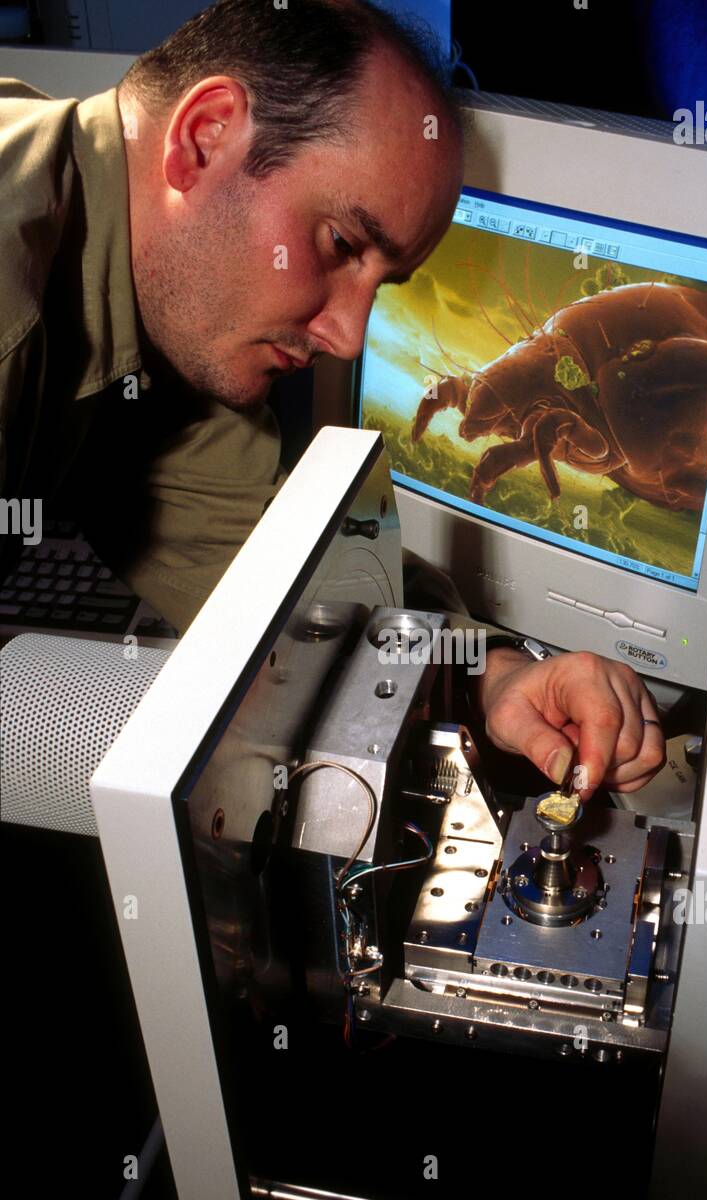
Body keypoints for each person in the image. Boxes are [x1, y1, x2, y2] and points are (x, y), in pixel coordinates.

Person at [0, 0, 664, 799]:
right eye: (340, 244)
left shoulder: (141, 324)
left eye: (381, 284)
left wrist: (494, 672)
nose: (348, 337)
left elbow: (280, 578)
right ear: (205, 136)